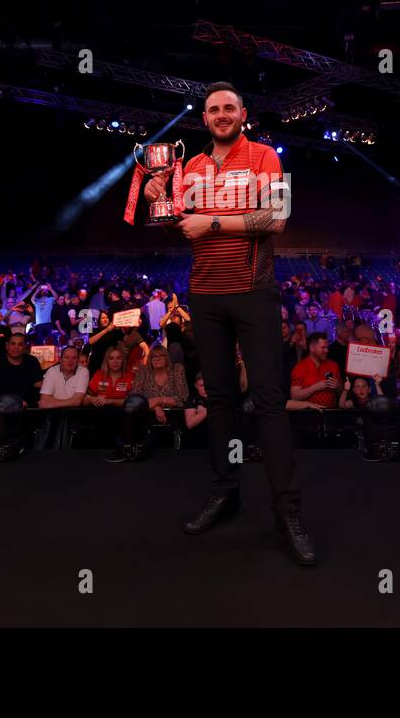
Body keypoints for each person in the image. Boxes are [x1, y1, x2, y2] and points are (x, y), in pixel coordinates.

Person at [145, 81, 315, 564]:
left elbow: (277, 217)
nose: (221, 115)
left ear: (244, 114)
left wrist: (214, 223)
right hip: (206, 296)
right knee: (218, 399)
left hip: (255, 293)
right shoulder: (191, 168)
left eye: (229, 108)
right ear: (204, 119)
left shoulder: (263, 157)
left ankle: (287, 511)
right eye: (213, 109)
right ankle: (225, 492)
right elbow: (172, 222)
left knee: (268, 401)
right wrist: (159, 194)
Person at [288, 332, 339, 410]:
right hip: (309, 415)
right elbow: (294, 396)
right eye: (323, 347)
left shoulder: (333, 365)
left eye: (327, 347)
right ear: (312, 348)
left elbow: (342, 392)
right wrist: (315, 388)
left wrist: (338, 385)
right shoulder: (300, 368)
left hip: (331, 413)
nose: (327, 350)